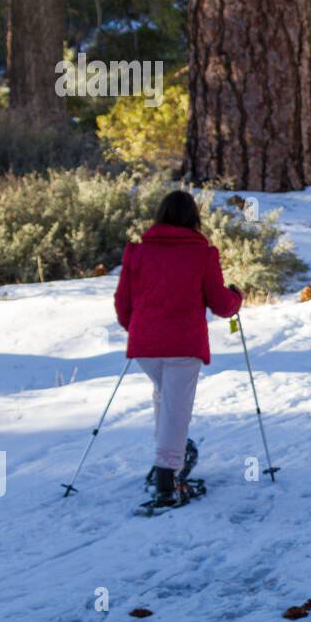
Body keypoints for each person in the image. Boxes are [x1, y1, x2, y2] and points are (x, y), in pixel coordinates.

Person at [113, 190, 242, 507]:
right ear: (193, 219)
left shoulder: (137, 253)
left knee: (164, 399)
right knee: (176, 410)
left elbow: (122, 302)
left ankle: (173, 457)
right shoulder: (202, 255)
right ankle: (167, 482)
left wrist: (140, 329)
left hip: (145, 345)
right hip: (183, 344)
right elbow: (221, 304)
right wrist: (236, 297)